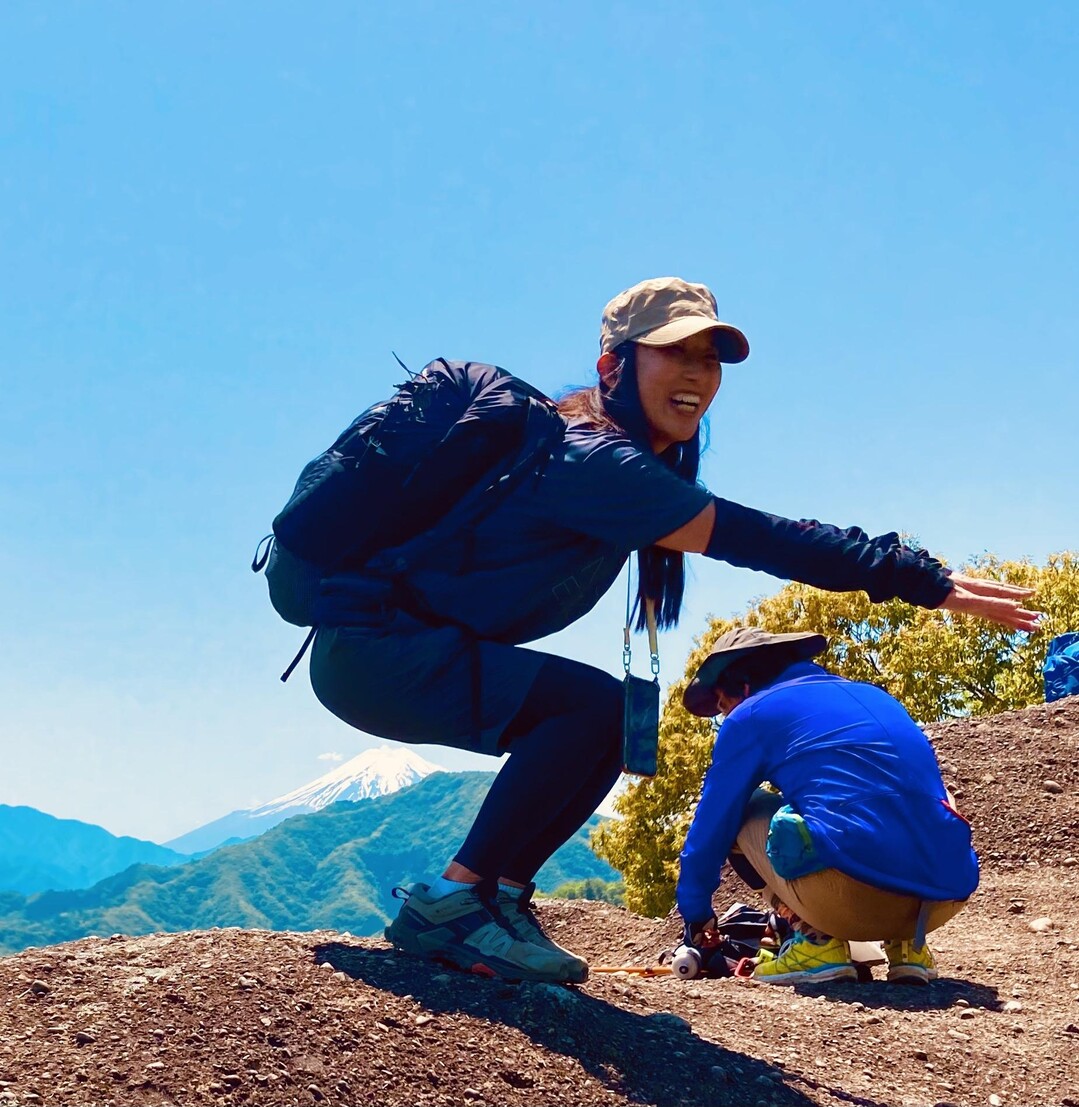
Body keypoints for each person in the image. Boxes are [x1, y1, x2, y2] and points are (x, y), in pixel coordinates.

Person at [307, 275, 1038, 985]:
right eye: (674, 351)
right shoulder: (589, 457)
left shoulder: (611, 458)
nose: (697, 373)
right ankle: (459, 900)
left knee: (605, 716)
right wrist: (915, 577)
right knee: (589, 709)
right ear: (612, 364)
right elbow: (765, 538)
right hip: (376, 649)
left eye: (709, 358)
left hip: (395, 645)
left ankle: (494, 896)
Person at [677, 626, 981, 986]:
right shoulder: (873, 696)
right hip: (942, 898)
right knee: (888, 801)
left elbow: (711, 827)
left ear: (742, 688)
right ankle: (909, 951)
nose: (725, 717)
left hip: (856, 899)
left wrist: (696, 916)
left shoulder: (751, 715)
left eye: (723, 707)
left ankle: (817, 943)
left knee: (743, 806)